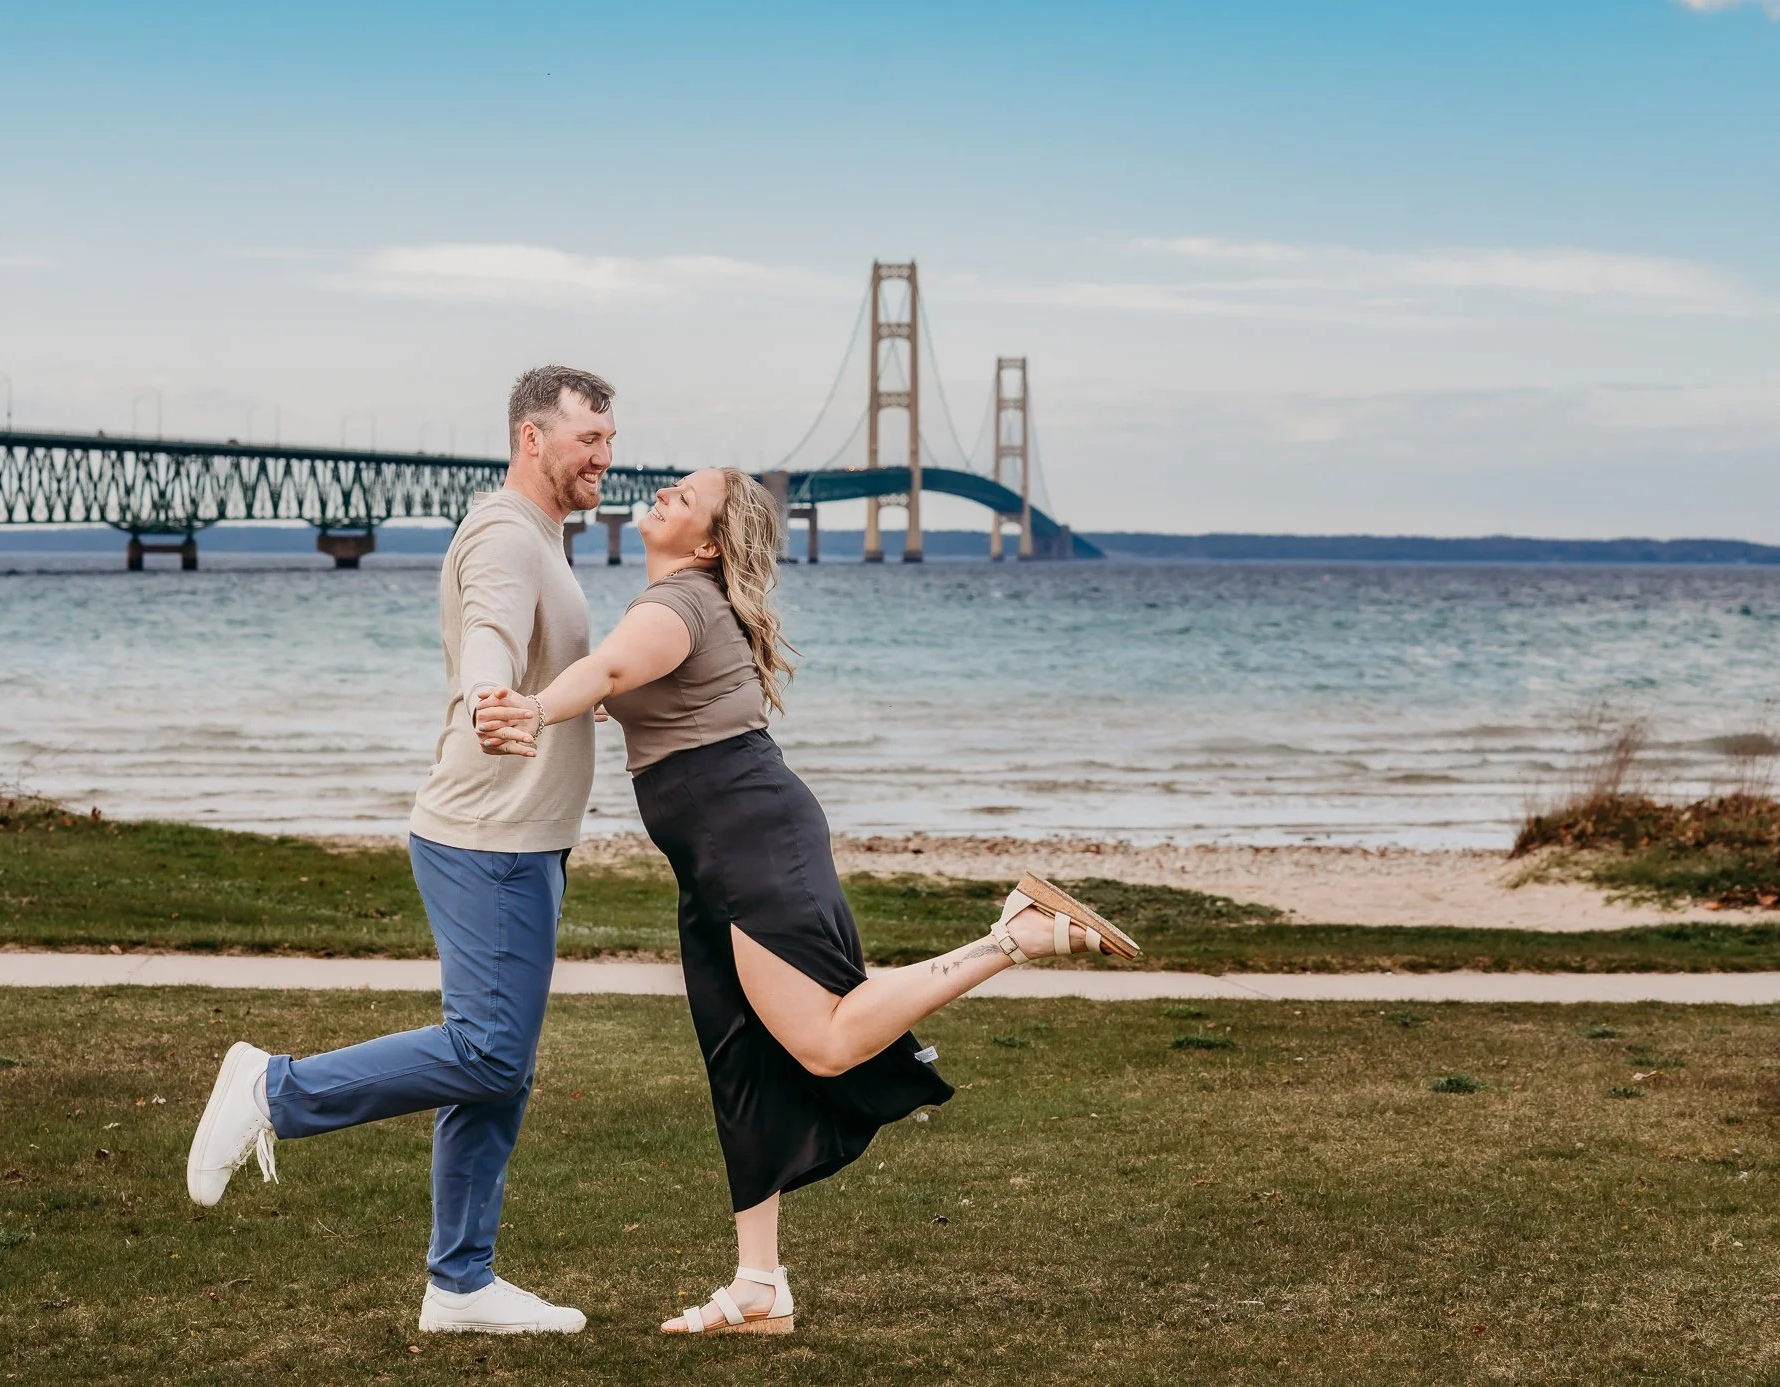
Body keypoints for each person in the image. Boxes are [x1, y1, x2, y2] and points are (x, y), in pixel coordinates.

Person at [474, 467, 1140, 1336]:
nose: (666, 493)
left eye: (686, 496)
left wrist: (529, 704)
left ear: (709, 542)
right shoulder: (681, 604)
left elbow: (601, 669)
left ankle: (1012, 937)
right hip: (716, 849)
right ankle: (759, 1286)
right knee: (741, 1065)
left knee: (823, 1042)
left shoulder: (677, 603)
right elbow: (629, 687)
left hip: (748, 838)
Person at [184, 365, 618, 1335]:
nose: (603, 457)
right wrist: (487, 701)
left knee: (498, 1067)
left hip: (525, 839)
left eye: (609, 440)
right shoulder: (507, 536)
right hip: (487, 837)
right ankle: (272, 1087)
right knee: (487, 1049)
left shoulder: (540, 534)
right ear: (532, 439)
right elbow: (487, 639)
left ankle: (460, 1283)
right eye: (587, 439)